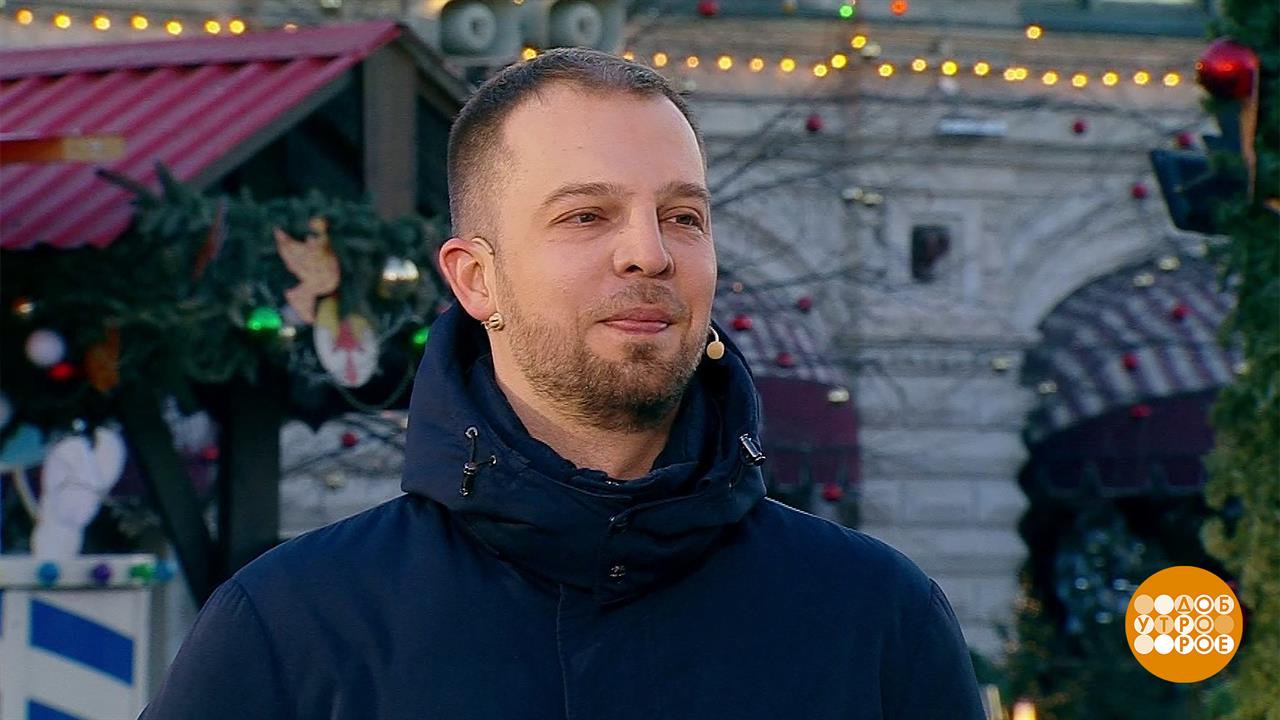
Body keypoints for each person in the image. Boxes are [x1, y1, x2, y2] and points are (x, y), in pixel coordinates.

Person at [141, 48, 985, 719]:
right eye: (586, 216)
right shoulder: (293, 627)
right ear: (477, 279)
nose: (649, 253)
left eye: (682, 217)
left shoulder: (876, 618)